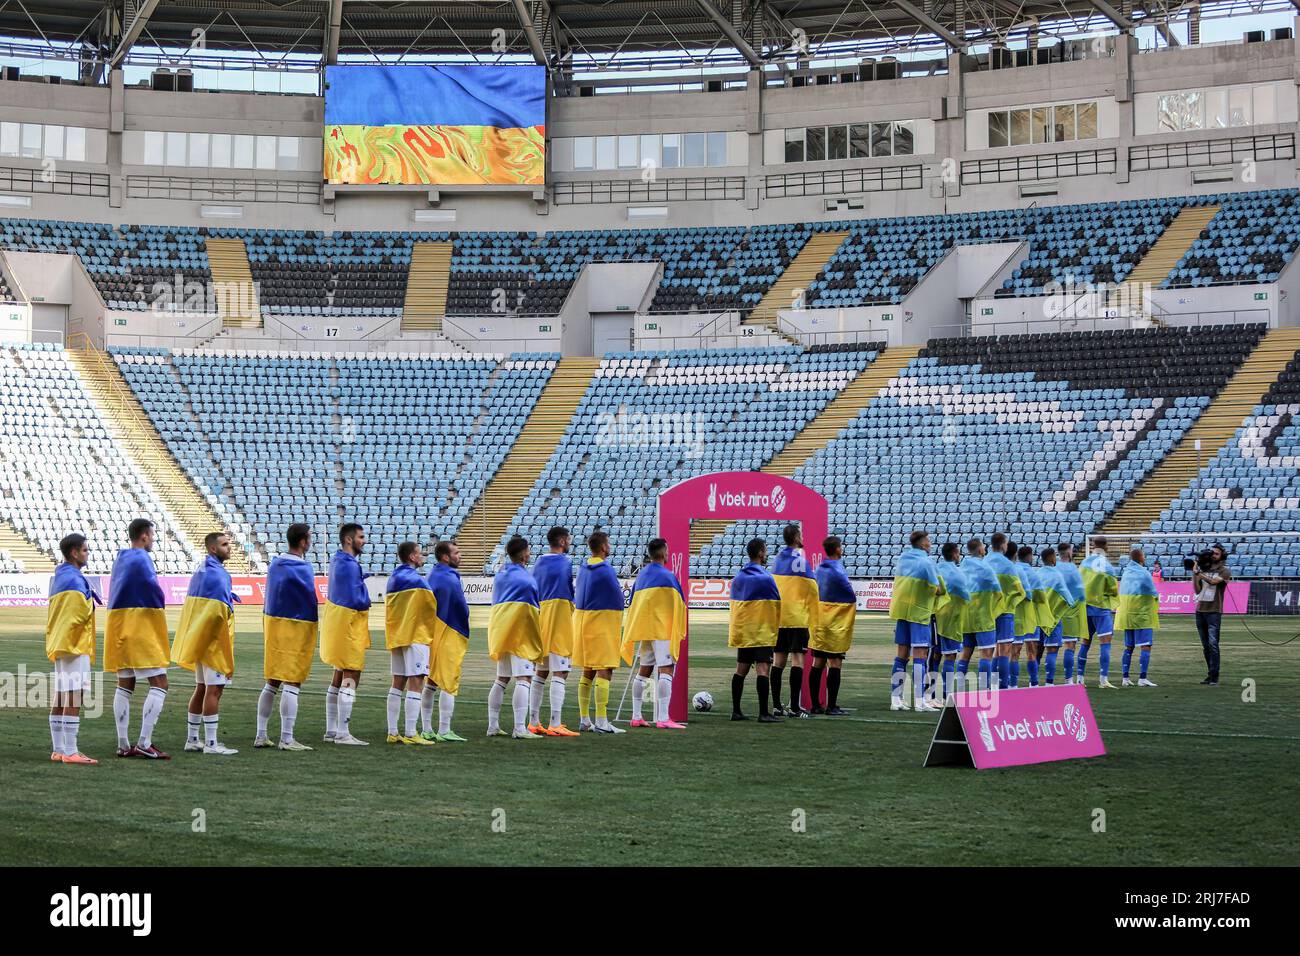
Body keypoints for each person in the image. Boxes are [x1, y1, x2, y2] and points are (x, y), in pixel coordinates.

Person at [105, 518, 171, 760]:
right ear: (144, 535)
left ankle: (123, 744)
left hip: (119, 627)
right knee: (160, 683)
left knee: (125, 684)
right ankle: (144, 741)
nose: (153, 539)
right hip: (139, 627)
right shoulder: (142, 558)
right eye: (152, 535)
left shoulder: (120, 559)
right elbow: (151, 590)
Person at [175, 531, 240, 756]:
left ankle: (193, 739)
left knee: (201, 688)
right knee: (214, 690)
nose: (229, 547)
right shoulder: (219, 574)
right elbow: (217, 613)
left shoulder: (202, 570)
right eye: (224, 544)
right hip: (213, 642)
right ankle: (211, 744)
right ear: (213, 549)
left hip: (199, 639)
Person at [256, 523, 317, 751]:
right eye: (309, 538)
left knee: (272, 680)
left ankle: (261, 734)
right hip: (294, 628)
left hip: (273, 626)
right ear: (302, 541)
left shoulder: (275, 565)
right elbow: (308, 600)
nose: (310, 541)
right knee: (292, 681)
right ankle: (287, 737)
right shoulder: (303, 568)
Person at [620, 537, 687, 729]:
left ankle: (636, 716)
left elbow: (632, 604)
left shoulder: (641, 576)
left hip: (645, 629)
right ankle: (663, 718)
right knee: (666, 669)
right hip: (661, 629)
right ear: (663, 552)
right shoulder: (668, 576)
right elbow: (679, 604)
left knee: (644, 670)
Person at [45, 533, 100, 765]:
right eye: (85, 550)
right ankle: (70, 751)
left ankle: (59, 749)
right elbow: (77, 615)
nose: (87, 553)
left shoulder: (61, 577)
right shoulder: (75, 580)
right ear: (75, 553)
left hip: (60, 643)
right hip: (74, 644)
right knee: (74, 695)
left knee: (61, 694)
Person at [487, 535, 544, 739]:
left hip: (500, 632)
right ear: (524, 554)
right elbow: (530, 612)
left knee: (501, 678)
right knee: (524, 678)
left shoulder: (500, 575)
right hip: (519, 635)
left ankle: (493, 725)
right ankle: (520, 727)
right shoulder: (527, 580)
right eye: (528, 550)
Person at [321, 523, 372, 745]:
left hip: (336, 622)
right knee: (352, 673)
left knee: (338, 674)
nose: (364, 541)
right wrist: (366, 595)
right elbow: (358, 600)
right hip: (349, 624)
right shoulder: (350, 565)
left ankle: (332, 729)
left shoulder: (336, 560)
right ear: (349, 540)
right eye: (361, 537)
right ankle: (343, 732)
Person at [572, 530, 625, 734]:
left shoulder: (584, 567)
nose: (609, 547)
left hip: (583, 623)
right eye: (608, 543)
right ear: (603, 547)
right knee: (605, 669)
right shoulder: (605, 569)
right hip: (602, 623)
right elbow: (617, 597)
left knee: (588, 670)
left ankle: (585, 719)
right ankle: (602, 720)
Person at [384, 542, 436, 746]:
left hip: (398, 636)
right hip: (416, 635)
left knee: (397, 682)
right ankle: (411, 731)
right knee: (416, 681)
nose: (422, 556)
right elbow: (430, 604)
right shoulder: (416, 580)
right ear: (412, 557)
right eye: (419, 553)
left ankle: (392, 731)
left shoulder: (393, 577)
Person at [529, 526, 579, 737]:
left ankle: (533, 721)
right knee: (561, 671)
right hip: (558, 617)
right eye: (568, 539)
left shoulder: (538, 562)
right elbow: (569, 592)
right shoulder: (565, 563)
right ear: (561, 541)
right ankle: (555, 722)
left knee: (541, 671)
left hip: (541, 617)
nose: (570, 541)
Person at [887, 530, 944, 712]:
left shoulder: (903, 558)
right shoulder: (926, 562)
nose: (930, 543)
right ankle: (920, 701)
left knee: (901, 654)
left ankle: (896, 699)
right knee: (920, 655)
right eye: (928, 540)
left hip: (902, 611)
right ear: (922, 544)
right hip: (919, 613)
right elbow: (937, 588)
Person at [728, 538, 781, 723]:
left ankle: (736, 711)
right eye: (765, 551)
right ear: (760, 553)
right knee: (763, 669)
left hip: (744, 631)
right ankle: (763, 713)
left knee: (741, 669)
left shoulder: (739, 577)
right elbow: (775, 605)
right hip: (761, 630)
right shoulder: (766, 578)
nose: (766, 554)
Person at [421, 540, 469, 742]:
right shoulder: (449, 578)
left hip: (432, 632)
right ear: (445, 557)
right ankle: (444, 729)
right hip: (448, 631)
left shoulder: (433, 574)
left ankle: (426, 728)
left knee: (431, 679)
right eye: (456, 552)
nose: (460, 556)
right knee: (448, 680)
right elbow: (460, 607)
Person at [771, 523, 818, 718]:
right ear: (797, 537)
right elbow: (812, 589)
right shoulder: (802, 560)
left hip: (779, 617)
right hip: (797, 617)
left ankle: (775, 705)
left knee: (778, 661)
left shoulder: (777, 560)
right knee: (798, 660)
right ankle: (795, 707)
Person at [810, 536, 855, 715]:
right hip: (835, 622)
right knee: (835, 662)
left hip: (820, 621)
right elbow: (849, 593)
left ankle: (815, 705)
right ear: (837, 549)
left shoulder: (819, 569)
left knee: (818, 662)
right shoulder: (838, 570)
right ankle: (832, 705)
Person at [957, 537, 1001, 692]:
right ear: (980, 549)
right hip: (983, 617)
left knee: (966, 653)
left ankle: (960, 688)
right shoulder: (986, 568)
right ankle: (984, 689)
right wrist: (993, 611)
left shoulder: (961, 567)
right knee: (986, 654)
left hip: (966, 618)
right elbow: (998, 593)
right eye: (983, 546)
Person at [984, 532, 1026, 691]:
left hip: (987, 610)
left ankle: (990, 685)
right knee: (1004, 650)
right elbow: (1019, 590)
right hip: (1006, 611)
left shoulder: (985, 562)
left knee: (990, 650)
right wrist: (1010, 602)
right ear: (1003, 545)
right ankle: (1003, 686)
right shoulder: (1009, 565)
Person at [1079, 535, 1119, 689]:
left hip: (1085, 607)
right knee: (1105, 643)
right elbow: (1112, 589)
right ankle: (1103, 679)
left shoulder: (1084, 563)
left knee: (1085, 642)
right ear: (1106, 546)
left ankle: (1080, 678)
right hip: (1101, 608)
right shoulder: (1107, 566)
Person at [1117, 548, 1160, 687]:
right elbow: (1154, 593)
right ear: (1141, 558)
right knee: (1146, 646)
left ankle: (1125, 678)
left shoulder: (1126, 573)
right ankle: (1142, 678)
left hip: (1126, 614)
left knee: (1129, 646)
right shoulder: (1144, 573)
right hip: (1141, 614)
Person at [933, 542, 969, 701]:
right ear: (955, 554)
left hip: (934, 617)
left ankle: (931, 693)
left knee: (935, 656)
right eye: (958, 553)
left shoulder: (936, 569)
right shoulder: (958, 574)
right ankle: (946, 693)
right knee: (950, 657)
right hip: (952, 619)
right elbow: (967, 597)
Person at [1037, 548, 1077, 685]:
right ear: (1052, 558)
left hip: (1037, 619)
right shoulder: (1056, 575)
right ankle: (1049, 683)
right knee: (1052, 651)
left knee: (1036, 651)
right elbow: (1070, 600)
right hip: (1052, 618)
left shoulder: (1037, 573)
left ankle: (1033, 682)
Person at [1193, 545, 1231, 686]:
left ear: (1222, 556)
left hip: (1214, 611)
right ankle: (1210, 674)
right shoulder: (1204, 569)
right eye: (1212, 553)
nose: (1213, 555)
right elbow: (1197, 590)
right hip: (1200, 610)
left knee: (1213, 644)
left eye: (1216, 553)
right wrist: (1195, 572)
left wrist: (1198, 573)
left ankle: (1215, 676)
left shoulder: (1224, 571)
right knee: (1206, 646)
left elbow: (1214, 582)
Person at [1055, 542, 1088, 684]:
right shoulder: (1073, 569)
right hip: (1071, 611)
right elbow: (1081, 592)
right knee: (1070, 646)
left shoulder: (1054, 567)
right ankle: (1069, 680)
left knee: (1051, 648)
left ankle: (1042, 682)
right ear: (1068, 552)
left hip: (1055, 611)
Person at [1008, 544, 1038, 689]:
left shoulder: (1012, 569)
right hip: (1030, 615)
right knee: (1031, 651)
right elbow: (1033, 594)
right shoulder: (1032, 573)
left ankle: (1013, 685)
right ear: (1029, 556)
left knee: (1014, 653)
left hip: (1013, 615)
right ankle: (1034, 683)